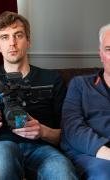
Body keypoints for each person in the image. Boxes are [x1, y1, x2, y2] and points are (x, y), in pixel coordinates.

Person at [0, 11, 78, 180]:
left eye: (18, 35)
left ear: (28, 41)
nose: (12, 43)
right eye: (5, 37)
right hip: (1, 147)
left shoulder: (52, 79)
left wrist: (43, 131)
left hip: (42, 149)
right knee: (2, 154)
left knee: (62, 172)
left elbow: (69, 135)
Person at [61, 23, 110, 180]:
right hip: (90, 154)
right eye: (109, 50)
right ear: (100, 54)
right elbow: (72, 128)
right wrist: (105, 151)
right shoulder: (80, 84)